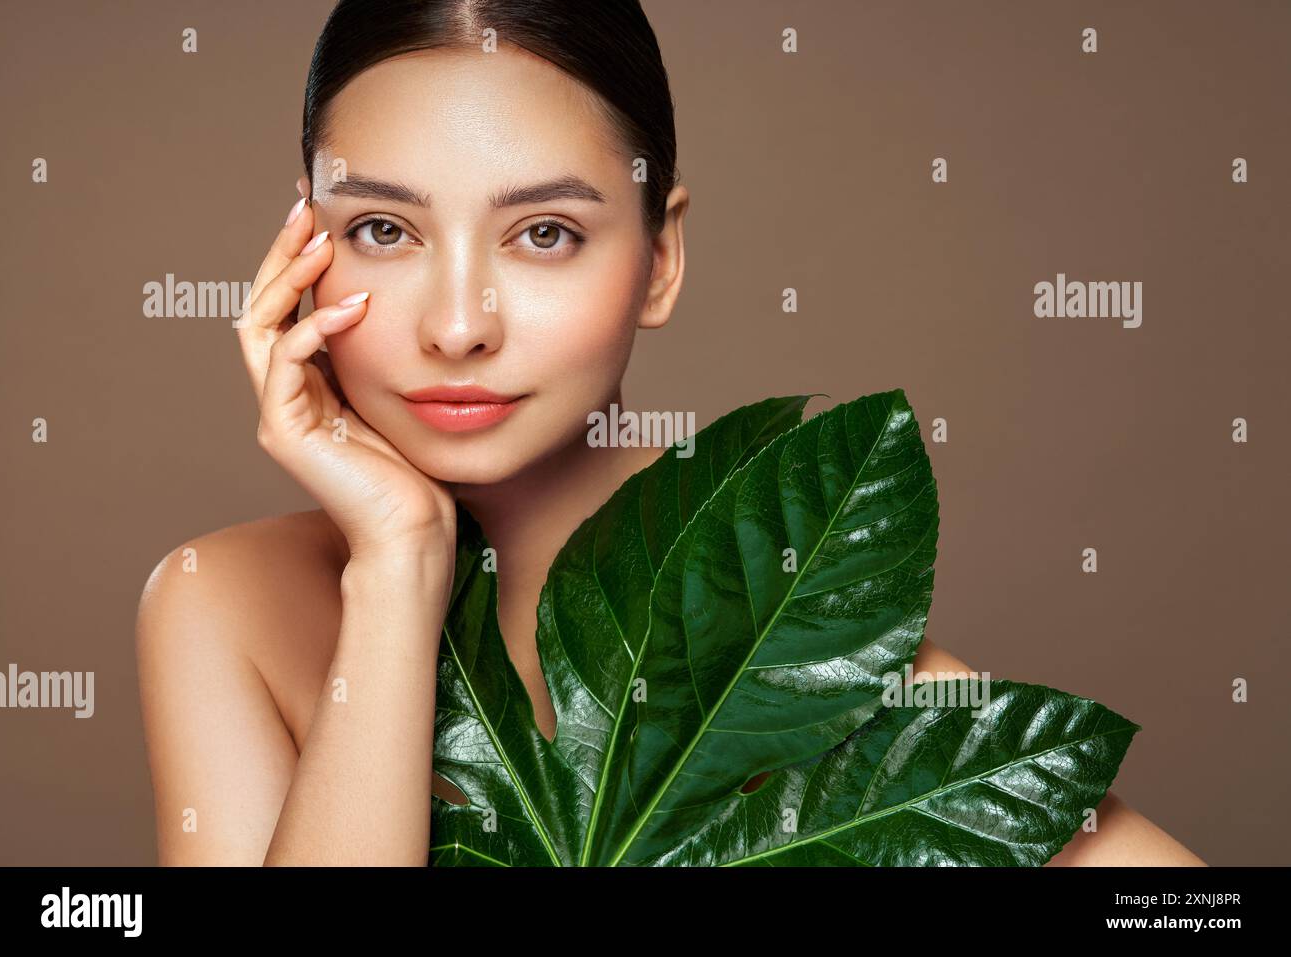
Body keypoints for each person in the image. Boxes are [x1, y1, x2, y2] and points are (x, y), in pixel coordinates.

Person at [135, 0, 1203, 866]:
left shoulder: (779, 602)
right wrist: (398, 565)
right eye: (382, 231)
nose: (457, 325)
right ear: (302, 246)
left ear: (659, 258)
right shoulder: (218, 599)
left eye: (544, 233)